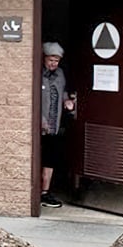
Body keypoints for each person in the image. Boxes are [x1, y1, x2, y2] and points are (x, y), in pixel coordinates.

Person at [40, 42, 75, 208]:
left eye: (56, 60)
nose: (53, 64)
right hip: (39, 124)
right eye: (51, 60)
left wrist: (67, 100)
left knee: (50, 157)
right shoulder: (37, 73)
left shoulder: (60, 74)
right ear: (44, 58)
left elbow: (63, 92)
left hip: (54, 124)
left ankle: (45, 192)